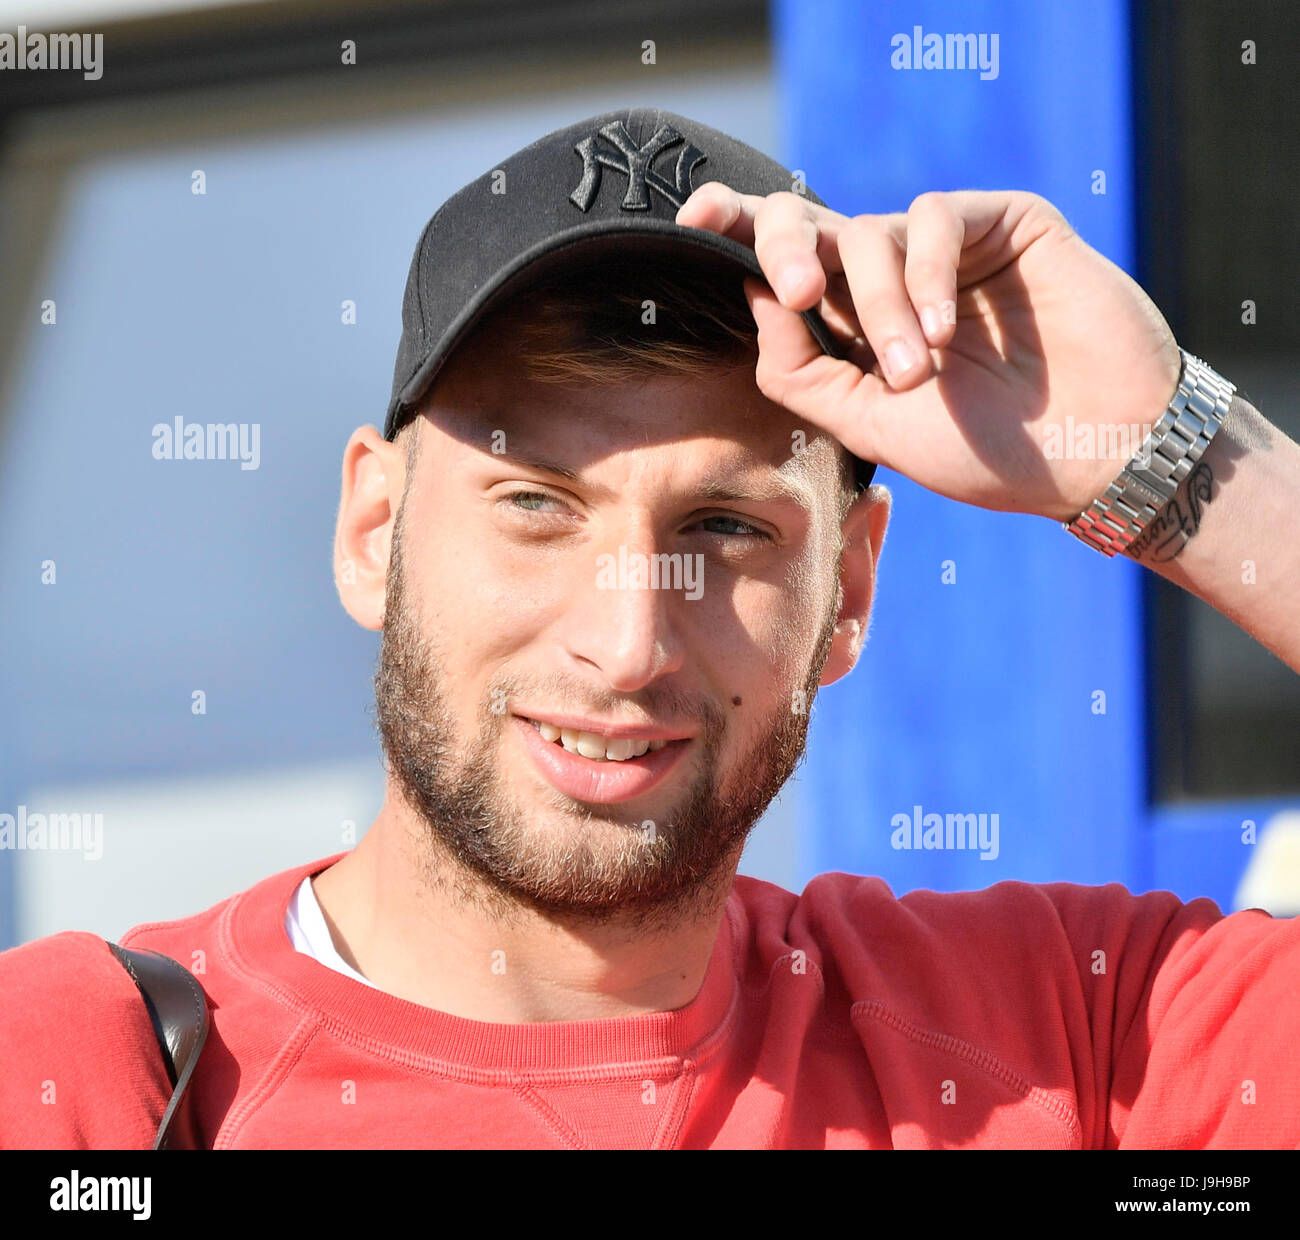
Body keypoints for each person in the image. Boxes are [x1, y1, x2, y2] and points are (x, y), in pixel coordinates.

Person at [3, 108, 1297, 1150]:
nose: (627, 647)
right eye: (534, 504)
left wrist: (1173, 455)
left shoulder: (1068, 1041)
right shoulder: (88, 1077)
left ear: (846, 592)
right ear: (371, 535)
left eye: (726, 528)